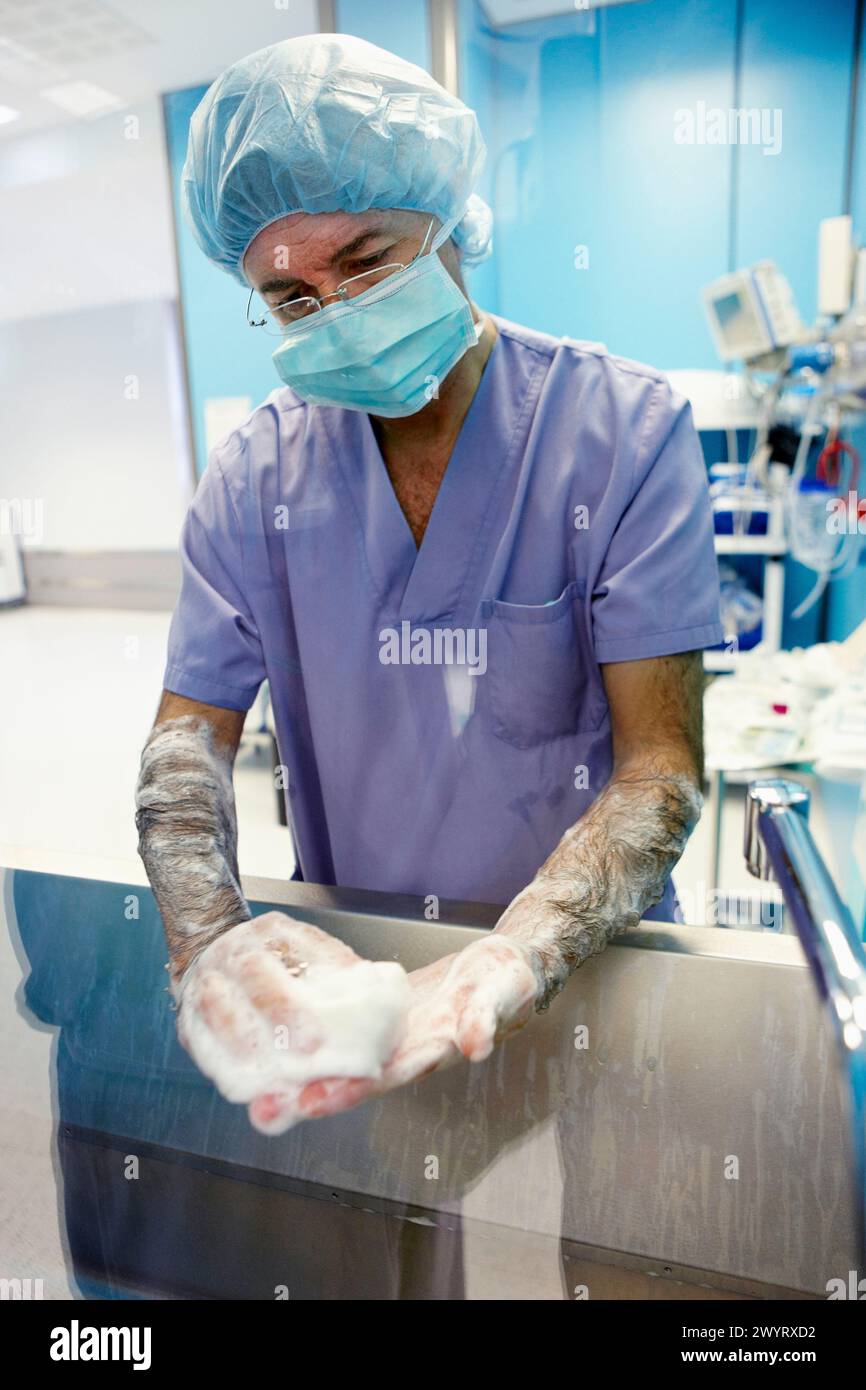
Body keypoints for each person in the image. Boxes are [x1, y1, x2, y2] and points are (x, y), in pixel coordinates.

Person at [135, 33, 723, 1134]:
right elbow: (186, 750)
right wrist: (210, 944)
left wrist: (515, 952)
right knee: (392, 1256)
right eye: (293, 296)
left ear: (446, 222)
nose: (338, 308)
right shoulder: (255, 475)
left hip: (598, 952)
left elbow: (659, 767)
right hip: (367, 978)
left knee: (626, 1243)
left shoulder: (620, 435)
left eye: (364, 261)